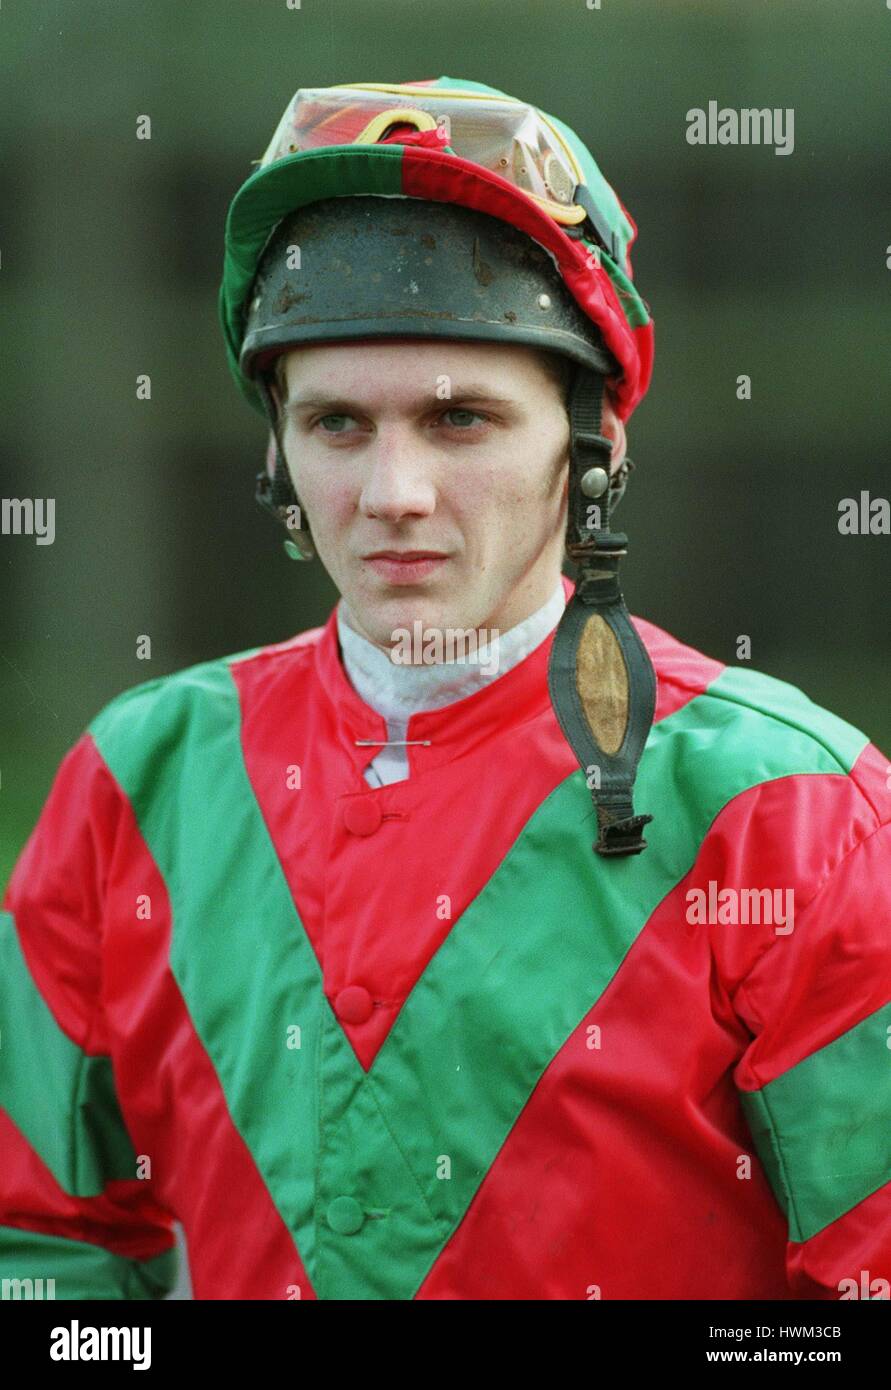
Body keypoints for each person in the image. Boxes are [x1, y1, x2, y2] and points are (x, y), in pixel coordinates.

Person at [1, 77, 889, 1302]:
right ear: (278, 451)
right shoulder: (133, 782)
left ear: (593, 450)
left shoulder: (793, 812)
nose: (393, 492)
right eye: (338, 424)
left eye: (461, 419)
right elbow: (39, 1255)